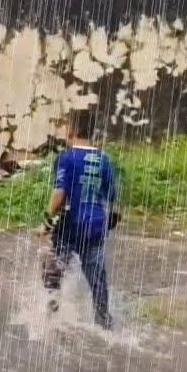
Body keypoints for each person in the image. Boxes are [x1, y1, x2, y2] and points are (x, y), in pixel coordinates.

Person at [43, 112, 118, 330]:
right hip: (94, 226)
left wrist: (46, 222)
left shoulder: (66, 158)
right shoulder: (105, 161)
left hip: (69, 226)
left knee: (53, 269)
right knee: (97, 280)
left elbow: (59, 193)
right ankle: (104, 324)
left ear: (71, 132)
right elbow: (112, 200)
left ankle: (51, 315)